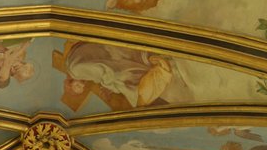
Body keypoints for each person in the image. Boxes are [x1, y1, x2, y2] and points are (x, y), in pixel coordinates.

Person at [53, 41, 188, 111]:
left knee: (132, 89)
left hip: (113, 58)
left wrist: (109, 85)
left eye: (77, 86)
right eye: (81, 89)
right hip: (112, 57)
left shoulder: (76, 70)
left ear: (70, 83)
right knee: (133, 90)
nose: (82, 86)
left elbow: (105, 70)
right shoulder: (76, 68)